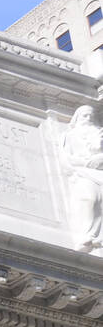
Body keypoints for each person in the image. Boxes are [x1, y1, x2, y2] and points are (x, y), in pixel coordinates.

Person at [63, 105, 103, 255]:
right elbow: (68, 158)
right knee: (88, 199)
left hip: (100, 172)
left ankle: (98, 239)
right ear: (77, 118)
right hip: (83, 172)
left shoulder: (100, 134)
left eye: (91, 116)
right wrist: (87, 163)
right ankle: (86, 236)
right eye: (84, 116)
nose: (89, 119)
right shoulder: (71, 135)